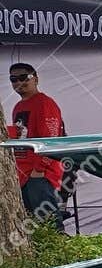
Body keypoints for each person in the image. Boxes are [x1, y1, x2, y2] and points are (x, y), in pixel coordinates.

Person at [7, 62, 67, 224]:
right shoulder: (18, 106)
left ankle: (57, 248)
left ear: (36, 79)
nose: (19, 82)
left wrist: (40, 169)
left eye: (23, 77)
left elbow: (52, 139)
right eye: (14, 79)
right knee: (31, 223)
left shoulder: (45, 103)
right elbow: (22, 135)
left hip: (39, 173)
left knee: (47, 221)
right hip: (23, 173)